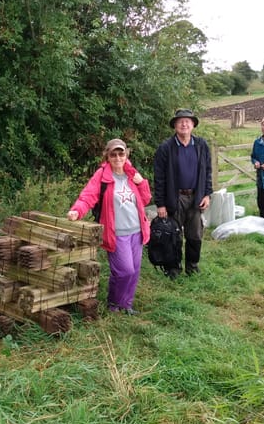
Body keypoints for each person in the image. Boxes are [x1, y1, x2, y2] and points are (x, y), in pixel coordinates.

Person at [68, 139, 151, 314]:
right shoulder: (102, 175)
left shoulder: (131, 173)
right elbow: (88, 196)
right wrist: (77, 211)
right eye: (113, 154)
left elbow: (145, 200)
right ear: (107, 156)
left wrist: (141, 182)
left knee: (134, 271)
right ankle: (114, 303)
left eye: (121, 153)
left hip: (137, 230)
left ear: (126, 154)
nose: (118, 157)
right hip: (116, 233)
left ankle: (126, 304)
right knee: (124, 270)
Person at [153, 108, 212, 278]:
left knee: (195, 236)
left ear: (193, 125)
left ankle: (192, 267)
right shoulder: (166, 147)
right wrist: (161, 203)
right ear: (175, 126)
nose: (184, 124)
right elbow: (159, 177)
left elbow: (208, 171)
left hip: (196, 197)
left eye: (188, 121)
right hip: (174, 197)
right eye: (180, 121)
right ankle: (174, 268)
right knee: (174, 235)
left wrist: (207, 194)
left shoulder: (201, 145)